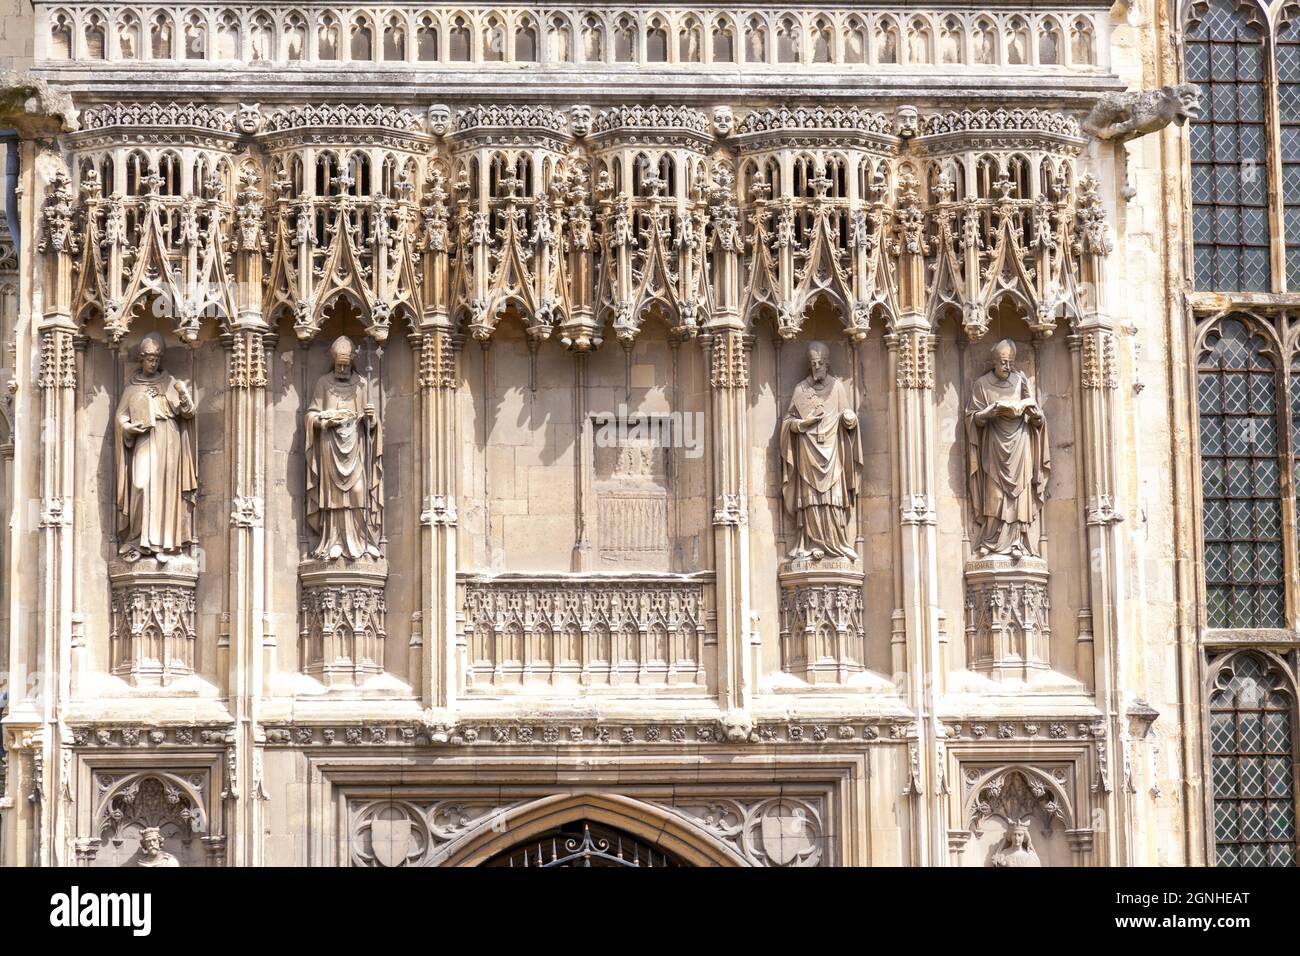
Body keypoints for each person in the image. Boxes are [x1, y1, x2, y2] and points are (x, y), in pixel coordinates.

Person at [114, 332, 197, 563]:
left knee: (167, 490)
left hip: (168, 439)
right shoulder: (133, 387)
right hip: (143, 439)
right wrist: (129, 428)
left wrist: (183, 395)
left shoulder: (169, 382)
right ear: (141, 358)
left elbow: (188, 413)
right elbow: (120, 418)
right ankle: (139, 539)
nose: (154, 363)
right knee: (140, 485)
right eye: (150, 359)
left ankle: (165, 543)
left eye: (157, 359)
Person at [964, 339, 1050, 558]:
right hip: (994, 445)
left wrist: (1036, 416)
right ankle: (991, 539)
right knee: (995, 492)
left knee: (1020, 491)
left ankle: (1018, 541)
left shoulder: (1020, 381)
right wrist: (987, 414)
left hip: (1020, 444)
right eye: (1003, 362)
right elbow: (972, 418)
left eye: (1010, 362)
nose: (1007, 367)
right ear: (994, 362)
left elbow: (1037, 416)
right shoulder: (982, 385)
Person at [779, 341, 863, 561]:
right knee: (811, 500)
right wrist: (803, 424)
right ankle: (810, 543)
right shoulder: (801, 389)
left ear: (827, 364)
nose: (816, 367)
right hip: (808, 451)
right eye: (813, 363)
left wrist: (850, 419)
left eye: (820, 363)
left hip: (832, 450)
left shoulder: (837, 387)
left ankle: (837, 543)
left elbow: (847, 415)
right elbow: (788, 422)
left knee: (832, 498)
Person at [305, 336, 383, 561]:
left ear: (351, 362)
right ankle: (332, 541)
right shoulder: (324, 383)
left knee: (358, 492)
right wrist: (323, 420)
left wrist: (371, 419)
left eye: (345, 365)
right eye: (338, 364)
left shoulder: (361, 385)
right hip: (331, 447)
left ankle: (361, 540)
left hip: (355, 448)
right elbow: (311, 414)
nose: (341, 368)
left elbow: (372, 425)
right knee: (333, 497)